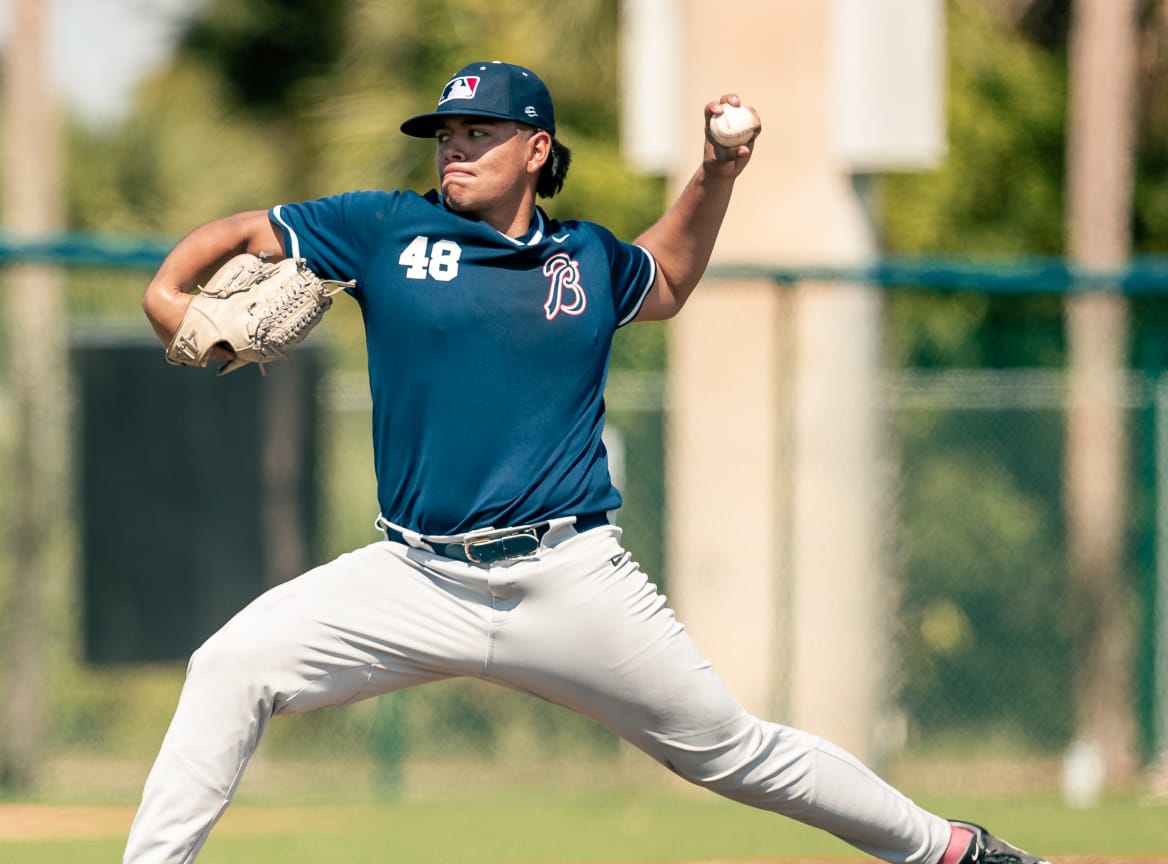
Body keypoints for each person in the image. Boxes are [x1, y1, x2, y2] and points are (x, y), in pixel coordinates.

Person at [134, 60, 1048, 864]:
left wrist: (717, 171)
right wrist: (169, 299)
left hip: (570, 577)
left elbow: (673, 274)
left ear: (536, 149)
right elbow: (244, 229)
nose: (454, 149)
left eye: (478, 132)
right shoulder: (384, 230)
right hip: (414, 575)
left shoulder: (588, 260)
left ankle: (951, 851)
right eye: (445, 133)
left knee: (727, 750)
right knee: (229, 666)